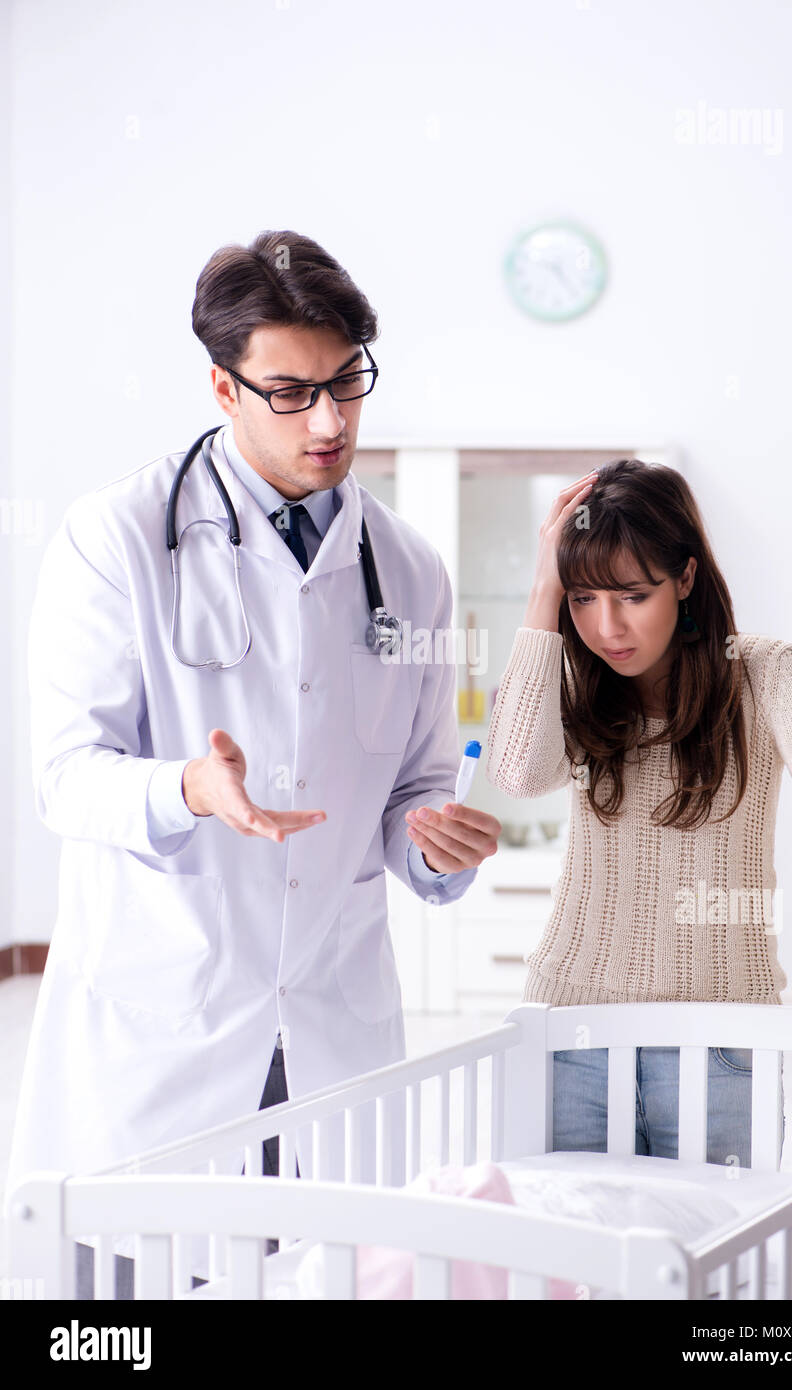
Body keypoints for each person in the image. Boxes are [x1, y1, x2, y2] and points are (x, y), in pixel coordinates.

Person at [6, 229, 501, 1296]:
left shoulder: (407, 571)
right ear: (222, 387)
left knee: (328, 1272)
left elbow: (414, 789)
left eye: (345, 384)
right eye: (289, 391)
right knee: (130, 1292)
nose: (328, 422)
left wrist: (442, 845)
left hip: (331, 1018)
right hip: (165, 1017)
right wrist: (187, 785)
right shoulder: (118, 537)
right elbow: (65, 775)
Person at [486, 458, 792, 1166]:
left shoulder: (765, 674)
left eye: (632, 594)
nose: (606, 627)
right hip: (571, 1030)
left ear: (685, 577)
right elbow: (516, 774)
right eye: (580, 599)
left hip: (718, 1040)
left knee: (706, 1269)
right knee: (575, 1268)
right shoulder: (572, 678)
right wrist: (542, 591)